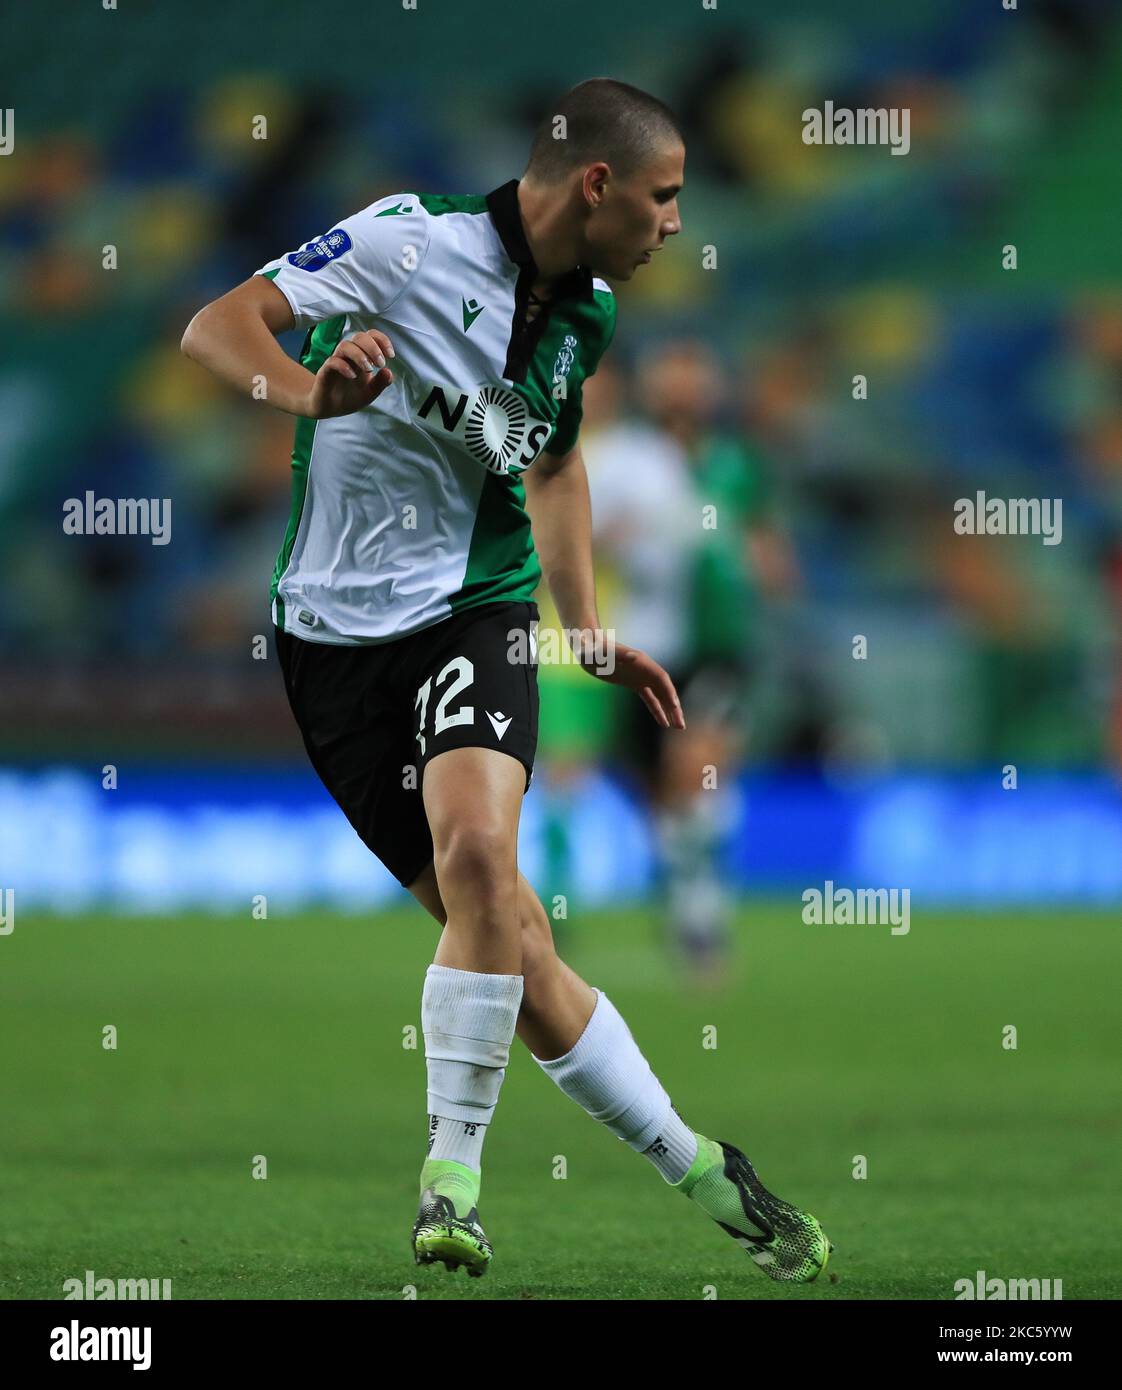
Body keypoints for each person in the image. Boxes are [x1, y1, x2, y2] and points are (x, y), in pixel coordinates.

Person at [181, 77, 830, 1284]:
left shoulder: (584, 316)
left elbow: (557, 463)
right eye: (665, 195)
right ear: (598, 185)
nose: (677, 223)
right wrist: (307, 390)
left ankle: (453, 1184)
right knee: (515, 948)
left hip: (475, 610)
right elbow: (218, 325)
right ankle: (699, 1164)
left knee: (485, 857)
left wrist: (579, 624)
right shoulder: (404, 240)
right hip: (328, 640)